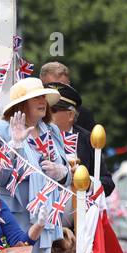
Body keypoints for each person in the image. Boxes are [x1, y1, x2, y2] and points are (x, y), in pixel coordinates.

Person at [0, 77, 69, 253]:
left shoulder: (52, 130)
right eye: (36, 98)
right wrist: (14, 146)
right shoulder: (0, 129)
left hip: (47, 215)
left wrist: (62, 172)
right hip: (17, 217)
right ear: (22, 105)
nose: (43, 101)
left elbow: (68, 174)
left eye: (43, 97)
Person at [40, 67, 114, 196]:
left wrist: (85, 181)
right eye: (44, 108)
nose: (46, 113)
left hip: (79, 211)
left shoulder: (87, 139)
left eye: (53, 109)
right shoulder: (35, 135)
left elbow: (108, 184)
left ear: (70, 115)